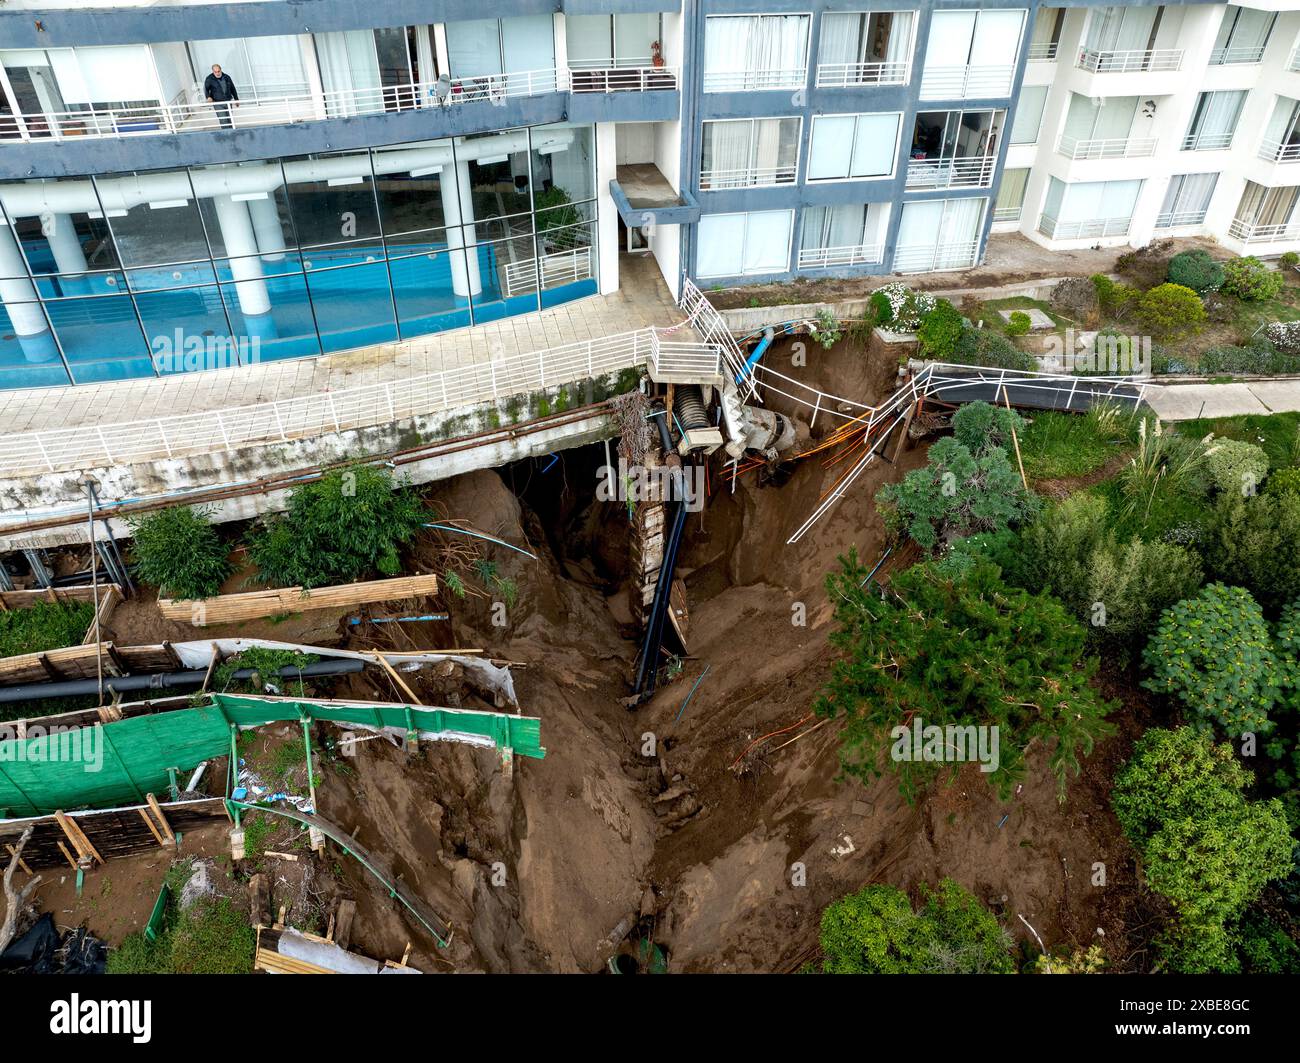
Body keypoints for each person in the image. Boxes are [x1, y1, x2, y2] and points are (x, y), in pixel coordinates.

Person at [204, 64, 239, 129]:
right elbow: (206, 89)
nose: (217, 73)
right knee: (223, 121)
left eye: (218, 71)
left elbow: (233, 88)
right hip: (218, 103)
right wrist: (208, 97)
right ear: (213, 71)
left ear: (221, 70)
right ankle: (226, 136)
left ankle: (231, 135)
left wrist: (236, 99)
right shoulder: (209, 79)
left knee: (229, 120)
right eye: (215, 72)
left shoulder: (227, 77)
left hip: (228, 101)